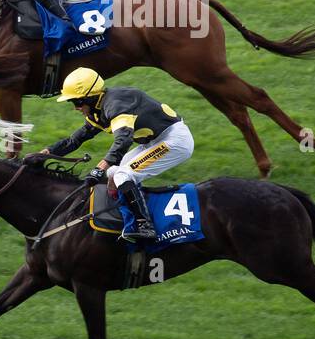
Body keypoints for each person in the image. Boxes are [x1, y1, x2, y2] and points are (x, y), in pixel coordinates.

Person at [30, 67, 195, 243]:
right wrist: (45, 154)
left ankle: (145, 226)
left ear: (90, 98)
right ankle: (125, 211)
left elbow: (123, 141)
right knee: (113, 173)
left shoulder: (116, 105)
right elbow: (74, 140)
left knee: (123, 174)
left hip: (175, 141)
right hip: (155, 140)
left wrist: (99, 167)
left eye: (77, 103)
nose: (76, 108)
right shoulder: (98, 109)